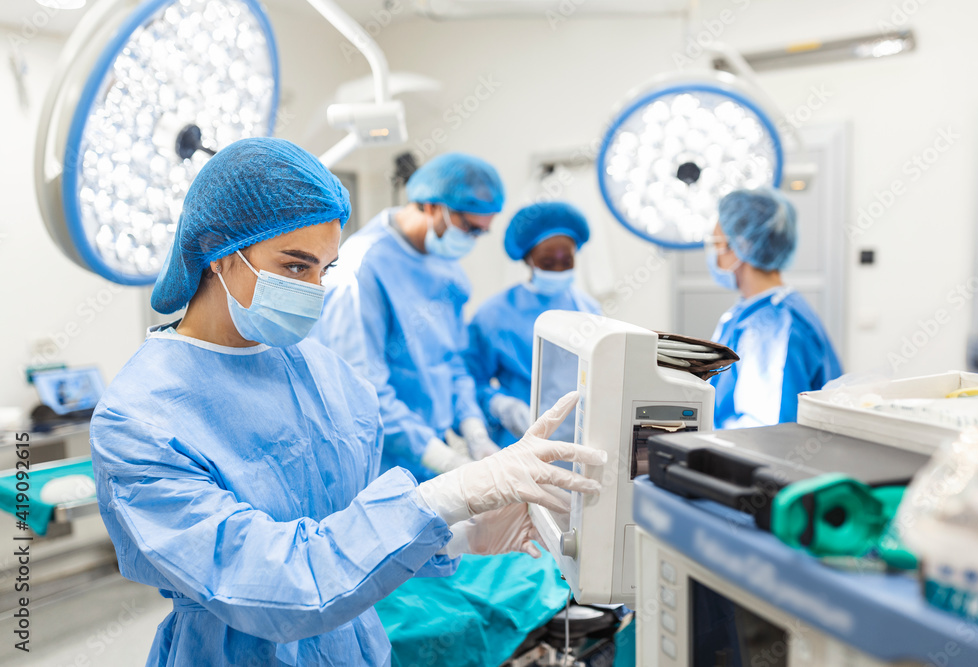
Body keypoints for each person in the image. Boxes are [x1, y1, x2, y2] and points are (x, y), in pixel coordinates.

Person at [88, 138, 605, 667]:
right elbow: (283, 584)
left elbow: (347, 533)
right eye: (295, 267)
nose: (315, 289)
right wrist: (447, 492)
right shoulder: (140, 418)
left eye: (324, 269)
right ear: (218, 250)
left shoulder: (330, 379)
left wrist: (456, 535)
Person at [313, 153, 504, 482]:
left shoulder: (450, 272)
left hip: (429, 449)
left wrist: (474, 429)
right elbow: (364, 391)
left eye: (481, 233)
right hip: (377, 461)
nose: (472, 240)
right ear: (432, 206)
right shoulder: (362, 268)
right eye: (469, 228)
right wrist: (442, 459)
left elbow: (453, 361)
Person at [705, 187, 842, 429]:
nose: (714, 255)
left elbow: (764, 435)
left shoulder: (772, 325)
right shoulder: (757, 311)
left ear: (742, 245)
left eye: (718, 243)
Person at [465, 201, 600, 446]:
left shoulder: (589, 309)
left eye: (567, 261)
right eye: (548, 263)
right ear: (528, 259)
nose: (558, 269)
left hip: (580, 440)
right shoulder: (494, 314)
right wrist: (500, 405)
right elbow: (469, 379)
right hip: (519, 439)